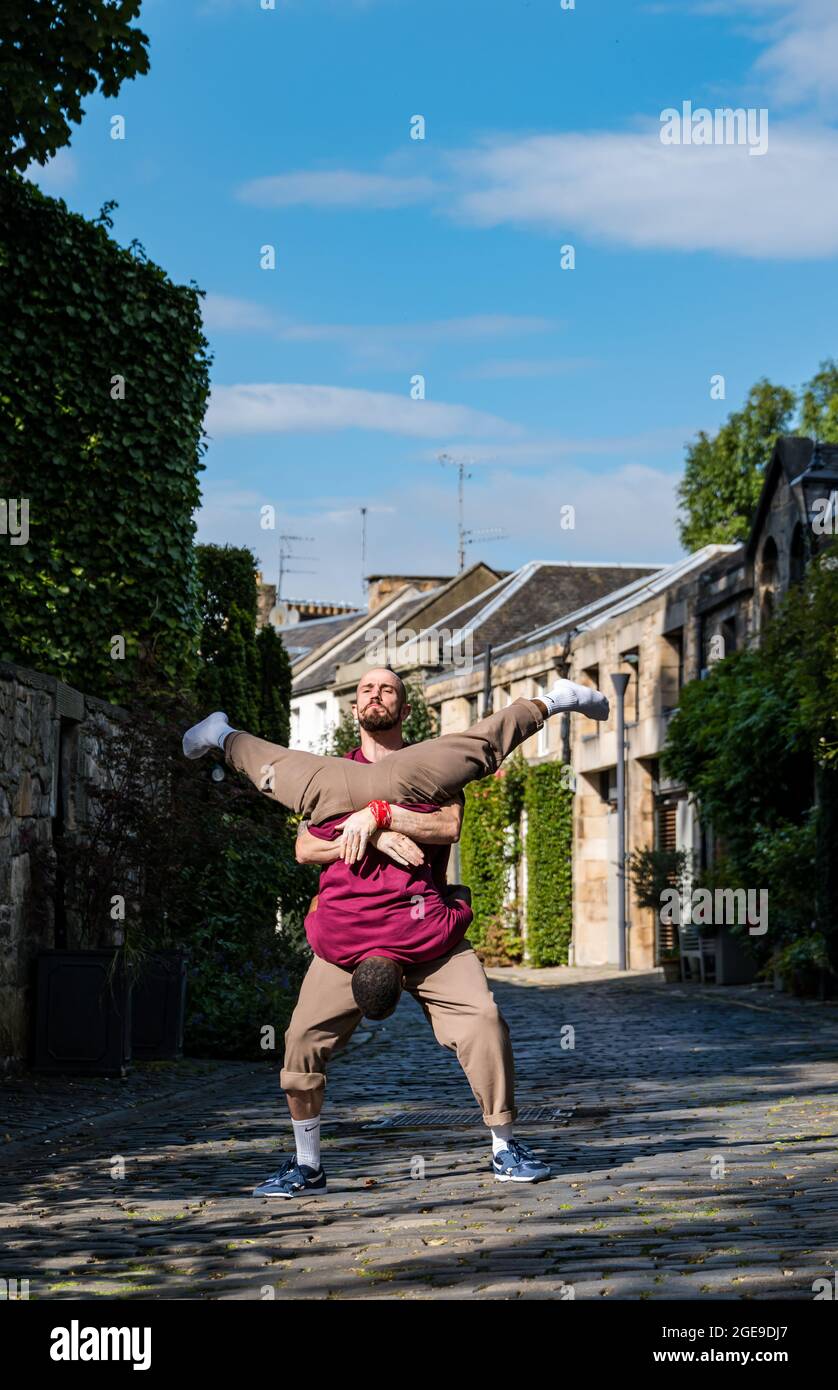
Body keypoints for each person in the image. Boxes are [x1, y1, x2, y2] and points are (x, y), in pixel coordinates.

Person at [182, 668, 609, 1197]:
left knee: (483, 1023)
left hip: (427, 937)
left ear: (404, 711)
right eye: (365, 689)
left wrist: (379, 815)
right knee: (300, 1043)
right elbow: (303, 849)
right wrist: (369, 834)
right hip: (364, 921)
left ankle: (504, 1147)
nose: (374, 694)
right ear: (354, 709)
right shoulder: (333, 778)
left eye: (386, 689)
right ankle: (307, 1164)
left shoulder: (428, 768)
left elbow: (448, 827)